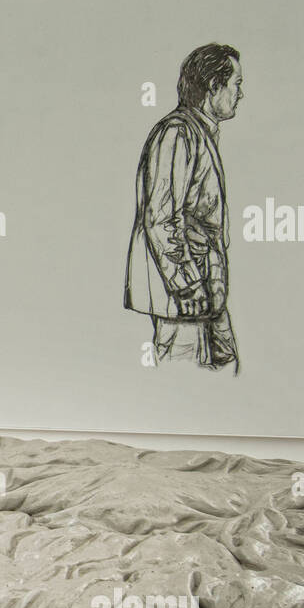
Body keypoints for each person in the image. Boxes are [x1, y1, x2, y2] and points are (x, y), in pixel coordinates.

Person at [123, 42, 243, 373]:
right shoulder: (177, 133)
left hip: (204, 295)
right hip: (186, 299)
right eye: (236, 84)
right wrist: (187, 284)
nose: (240, 94)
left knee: (222, 374)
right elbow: (160, 219)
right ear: (214, 86)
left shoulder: (197, 132)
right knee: (188, 379)